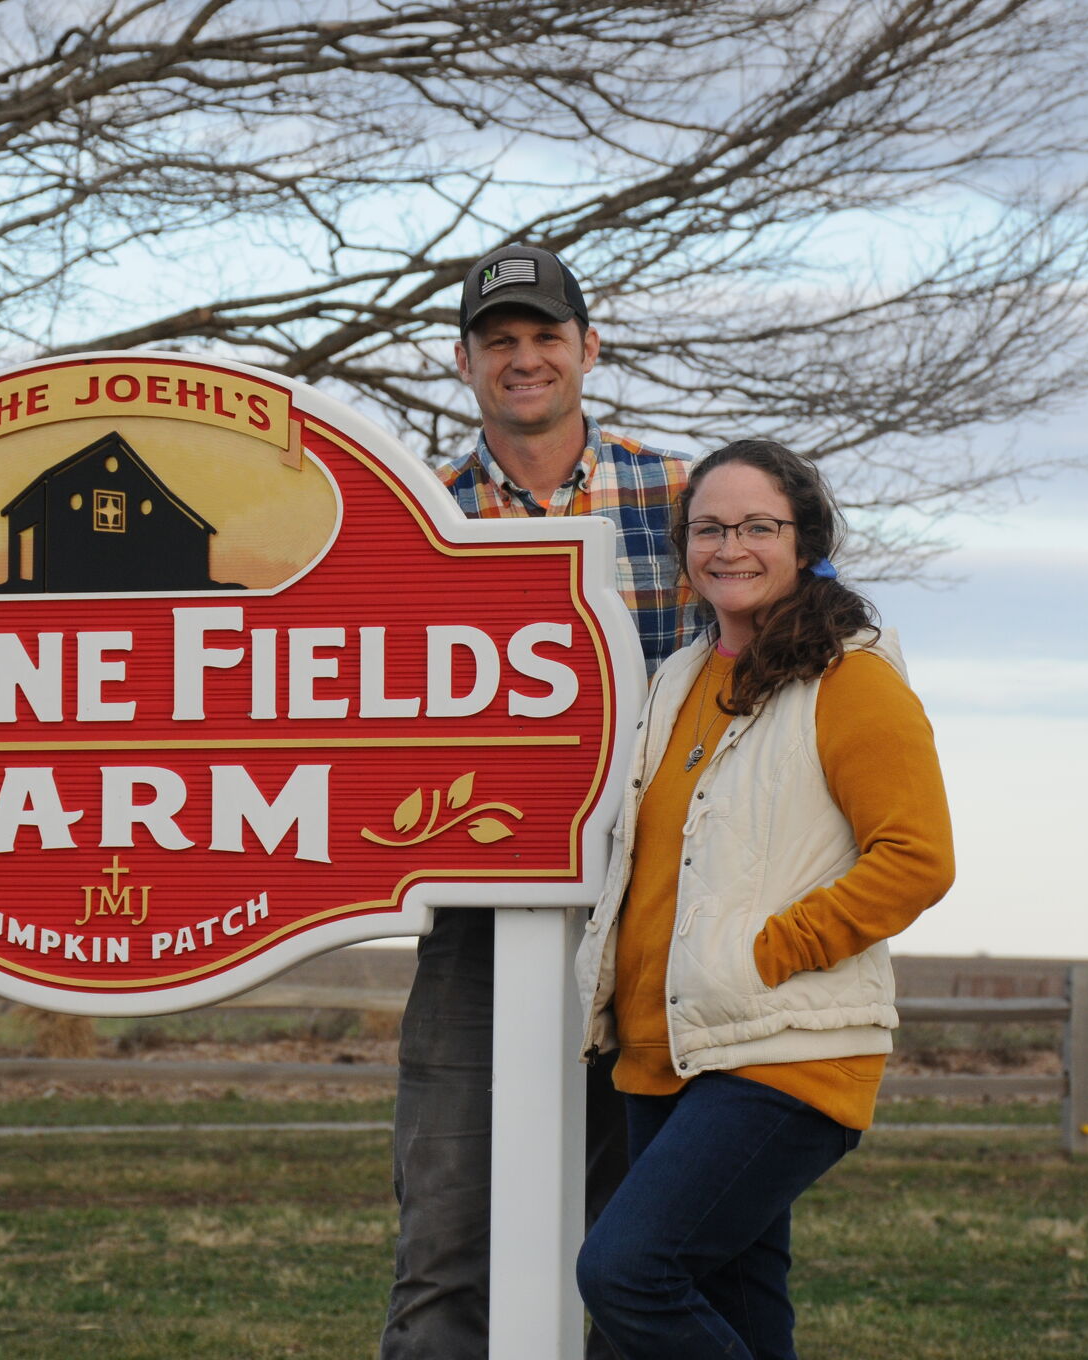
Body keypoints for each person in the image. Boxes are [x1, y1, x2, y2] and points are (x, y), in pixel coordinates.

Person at [381, 244, 702, 1360]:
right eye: (498, 342)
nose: (524, 360)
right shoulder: (416, 514)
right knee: (445, 1238)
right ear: (462, 363)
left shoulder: (679, 498)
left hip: (648, 912)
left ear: (587, 350)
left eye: (544, 339)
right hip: (475, 914)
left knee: (632, 1246)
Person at [572, 439, 955, 1360]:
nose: (729, 547)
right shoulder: (679, 679)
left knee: (625, 1271)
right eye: (708, 528)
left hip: (782, 1048)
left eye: (757, 526)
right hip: (670, 1047)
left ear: (805, 539)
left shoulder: (852, 682)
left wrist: (767, 954)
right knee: (741, 1310)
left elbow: (918, 859)